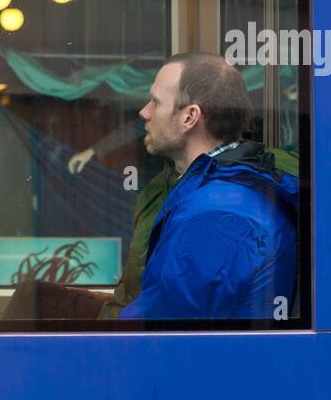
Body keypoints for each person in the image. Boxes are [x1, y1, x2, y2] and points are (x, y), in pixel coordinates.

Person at [119, 53, 299, 320]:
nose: (144, 112)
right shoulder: (226, 191)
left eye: (156, 102)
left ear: (190, 117)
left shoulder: (215, 217)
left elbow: (157, 335)